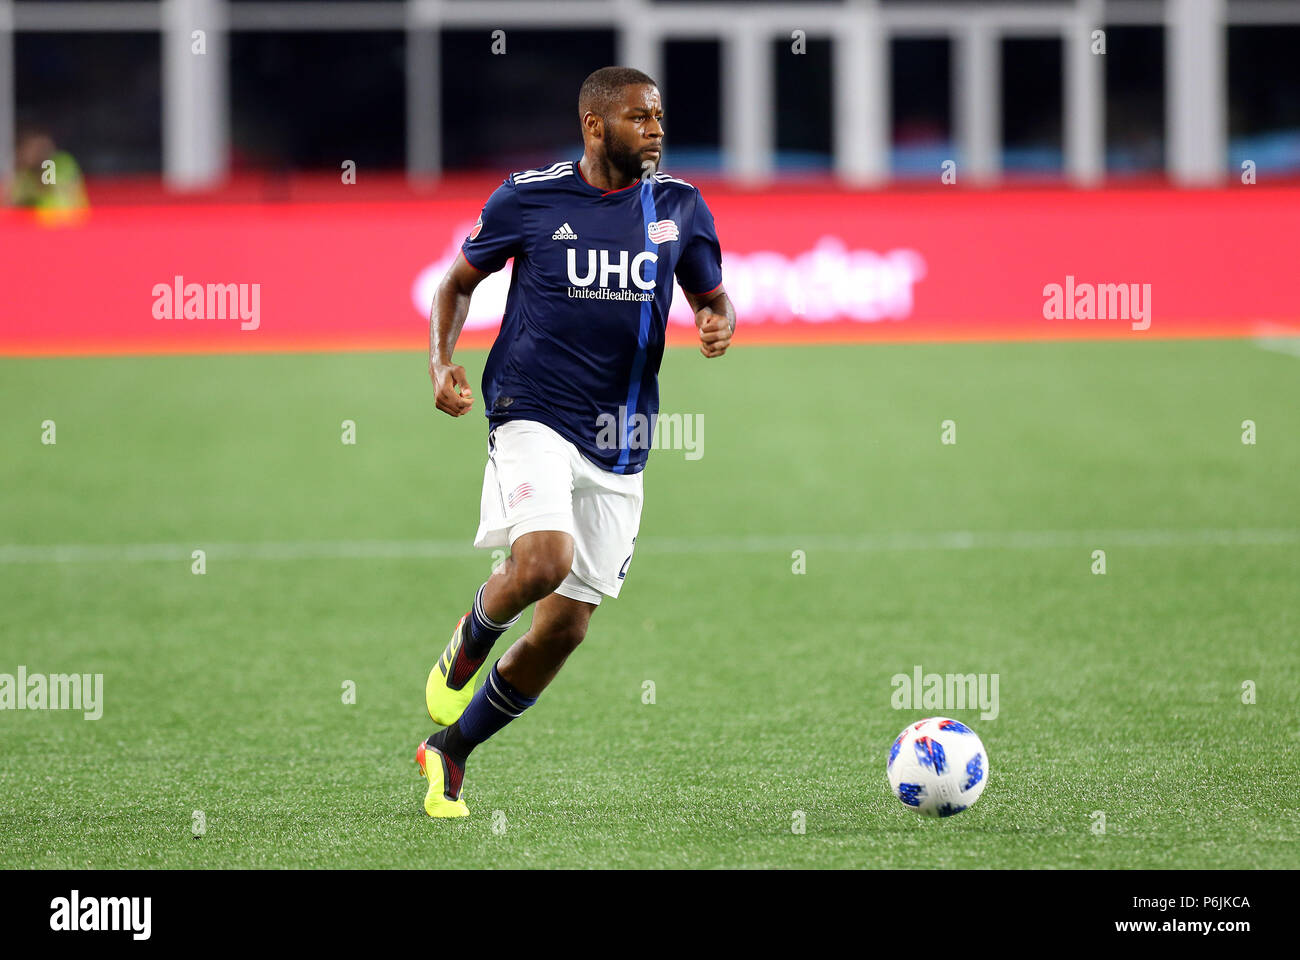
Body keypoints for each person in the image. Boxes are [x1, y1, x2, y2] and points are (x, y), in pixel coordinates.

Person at [417, 66, 736, 817]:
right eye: (639, 118)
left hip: (621, 437)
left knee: (564, 628)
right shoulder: (530, 197)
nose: (655, 130)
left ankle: (450, 751)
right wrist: (440, 363)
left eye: (659, 116)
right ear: (595, 127)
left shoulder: (681, 207)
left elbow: (712, 297)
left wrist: (719, 322)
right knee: (543, 560)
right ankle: (474, 632)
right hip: (531, 410)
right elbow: (456, 283)